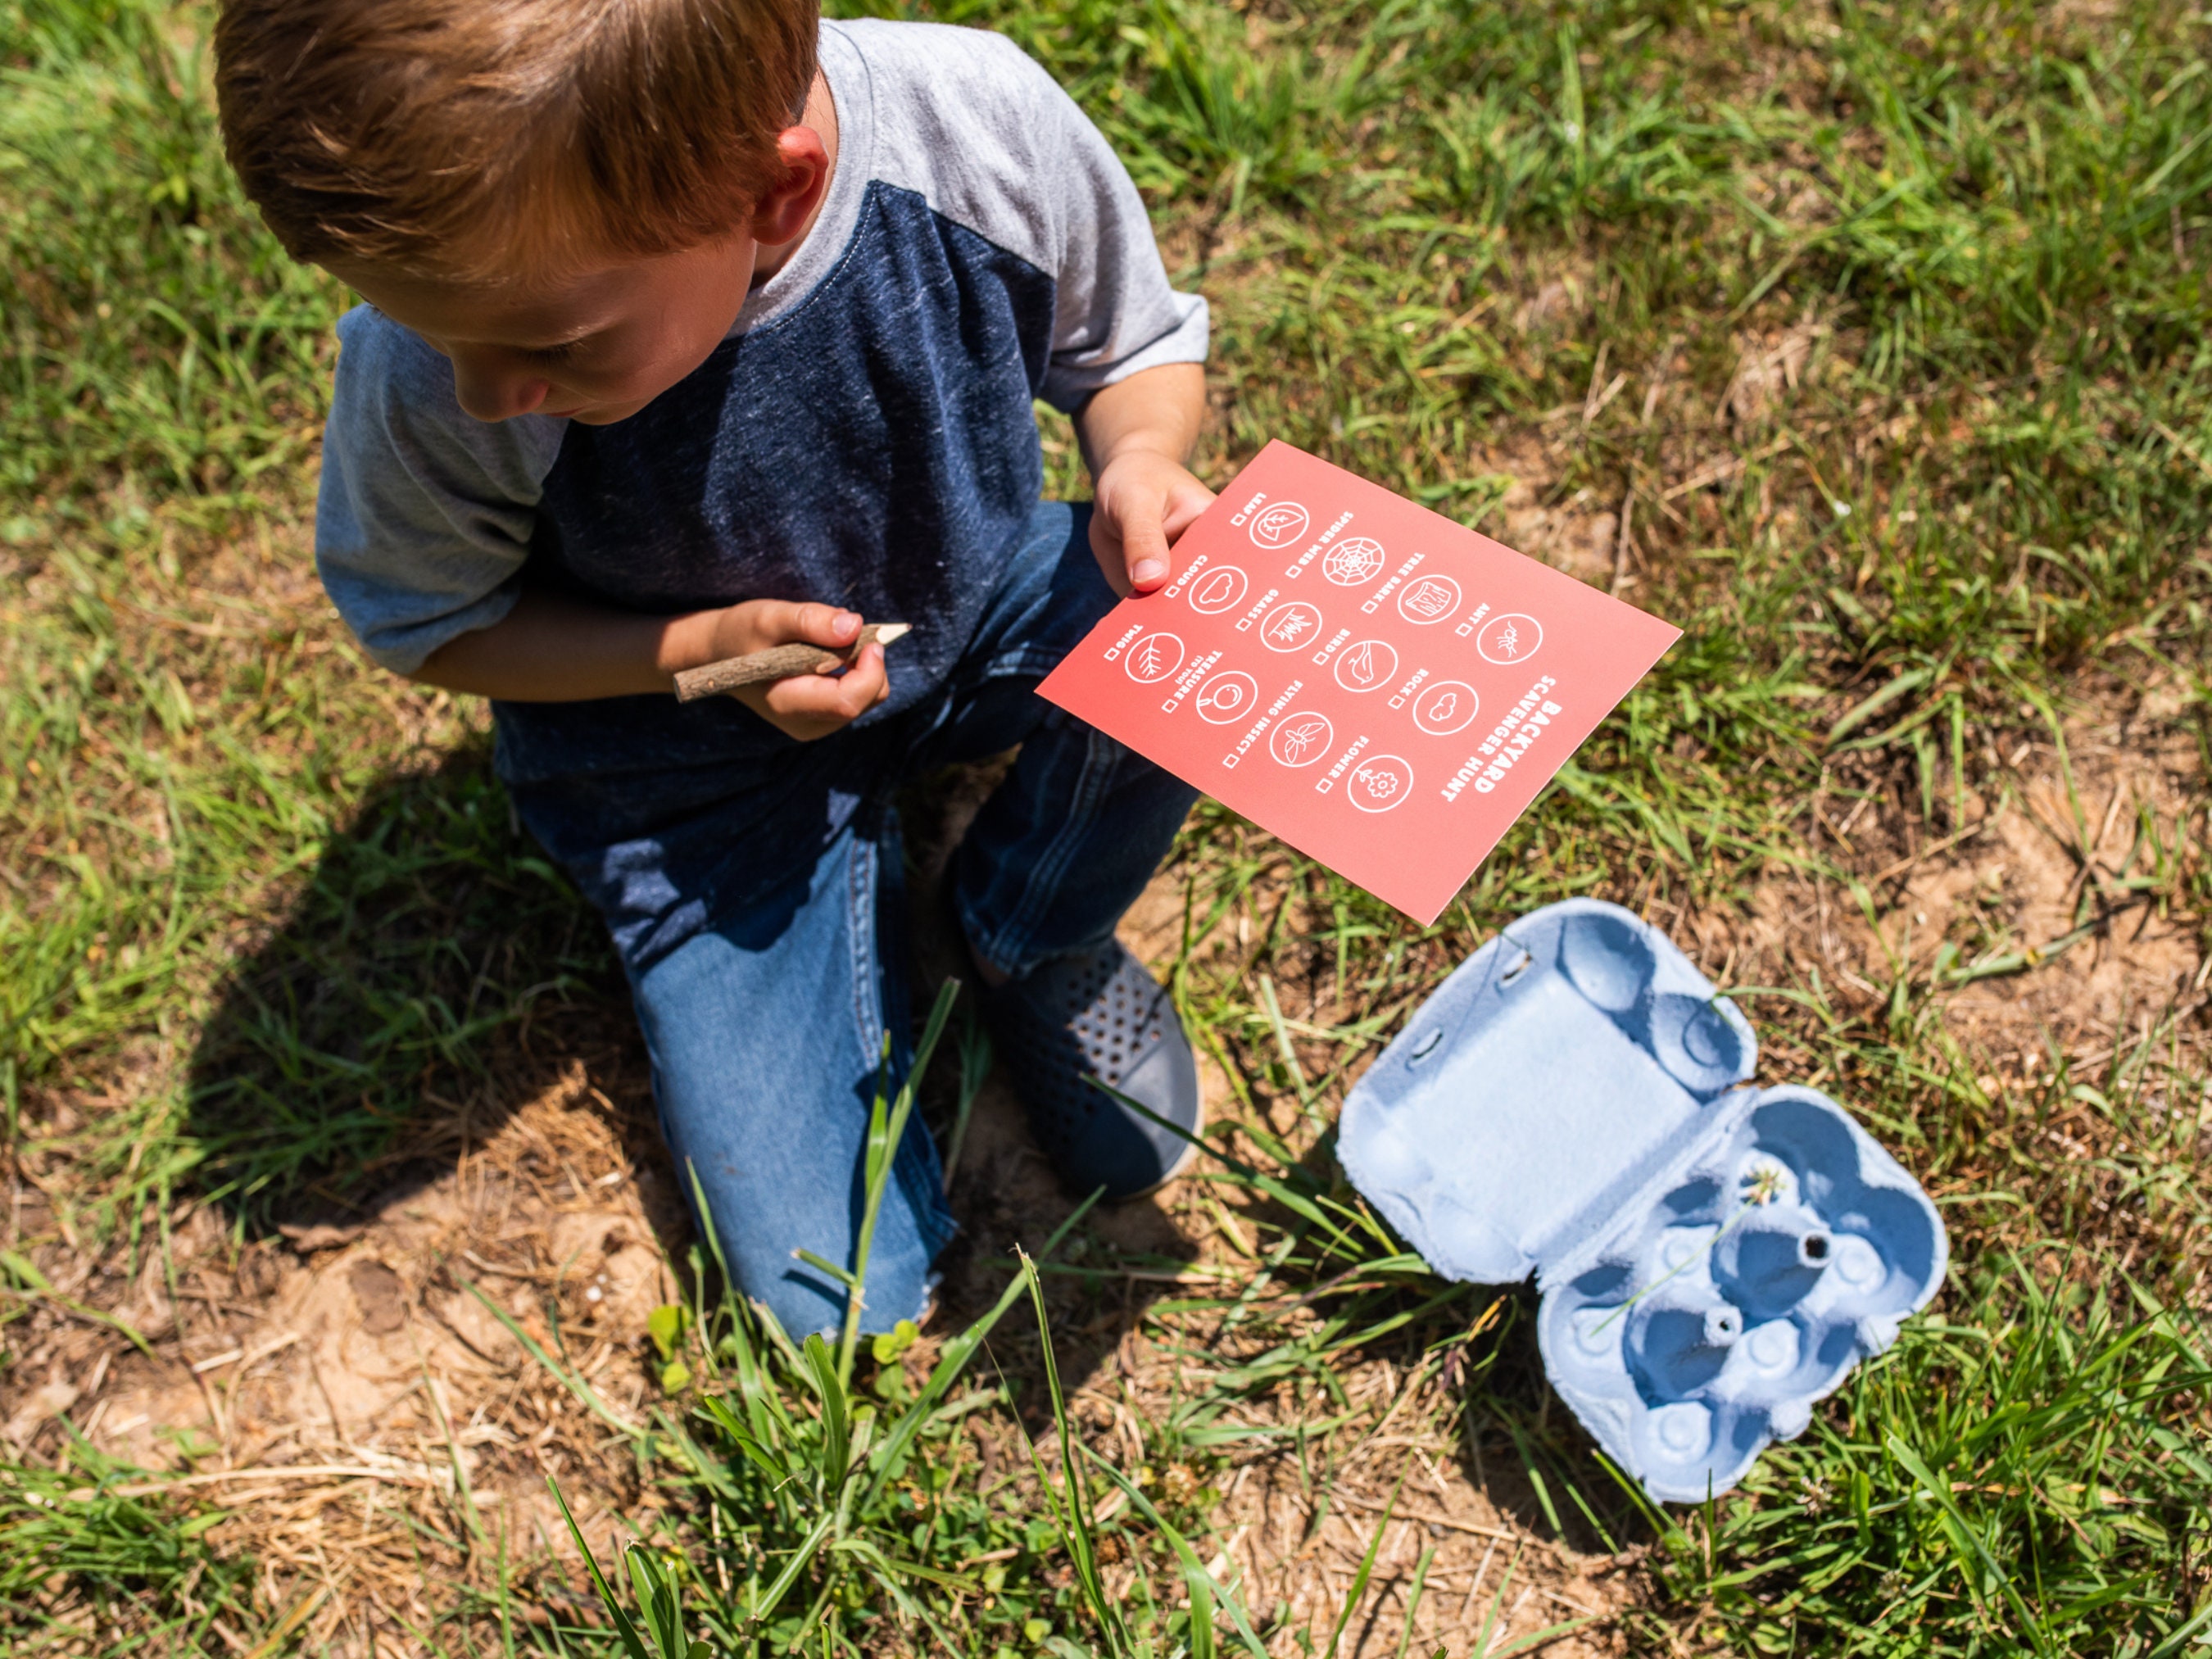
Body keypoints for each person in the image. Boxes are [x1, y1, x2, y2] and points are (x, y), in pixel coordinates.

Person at [212, 0, 1212, 1336]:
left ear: (774, 187)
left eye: (555, 349)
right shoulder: (450, 359)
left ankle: (1028, 929)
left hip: (958, 613)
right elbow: (429, 620)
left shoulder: (973, 132)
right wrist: (695, 659)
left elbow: (1130, 347)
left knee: (1201, 609)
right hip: (681, 772)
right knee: (837, 1295)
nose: (484, 392)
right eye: (439, 336)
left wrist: (1137, 461)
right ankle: (826, 925)